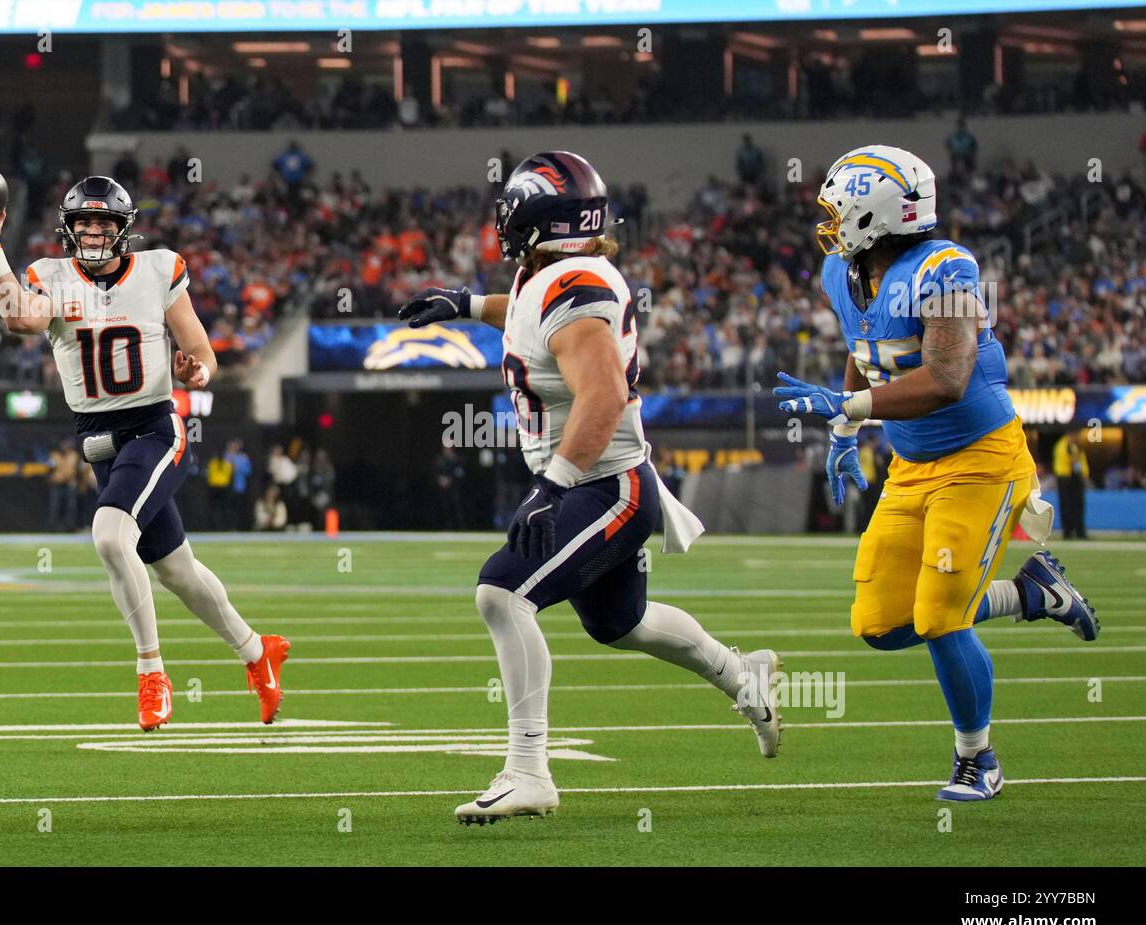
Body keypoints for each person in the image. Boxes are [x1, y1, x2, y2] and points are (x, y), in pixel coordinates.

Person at [399, 150, 780, 825]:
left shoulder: (571, 285)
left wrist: (554, 484)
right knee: (621, 624)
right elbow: (525, 315)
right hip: (608, 477)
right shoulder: (548, 276)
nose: (505, 222)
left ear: (541, 218)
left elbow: (601, 396)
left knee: (501, 591)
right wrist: (463, 304)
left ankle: (528, 771)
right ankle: (739, 673)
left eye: (514, 210)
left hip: (607, 483)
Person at [775, 144, 1100, 803]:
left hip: (981, 459)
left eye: (842, 207)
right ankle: (1031, 594)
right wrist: (845, 428)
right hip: (912, 466)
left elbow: (948, 378)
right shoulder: (844, 274)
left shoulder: (946, 269)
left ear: (877, 213)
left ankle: (977, 758)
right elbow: (863, 347)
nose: (832, 220)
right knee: (877, 622)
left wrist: (854, 406)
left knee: (939, 617)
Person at [0, 174, 289, 731]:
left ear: (123, 229)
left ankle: (152, 671)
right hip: (99, 442)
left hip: (155, 428)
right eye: (82, 222)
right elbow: (19, 318)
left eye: (102, 222)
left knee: (110, 535)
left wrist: (197, 370)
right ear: (68, 227)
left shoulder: (160, 269)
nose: (91, 231)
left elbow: (202, 351)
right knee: (177, 571)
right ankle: (259, 653)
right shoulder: (48, 276)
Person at [1052, 430, 1091, 539]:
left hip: (1067, 477)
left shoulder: (1065, 445)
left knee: (1070, 506)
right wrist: (1083, 477)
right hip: (1067, 478)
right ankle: (1075, 532)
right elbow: (1075, 462)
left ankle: (1070, 532)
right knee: (1072, 506)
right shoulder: (1069, 446)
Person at [47, 438, 81, 532]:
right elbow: (49, 470)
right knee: (55, 507)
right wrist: (50, 480)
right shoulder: (54, 455)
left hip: (70, 485)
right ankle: (53, 528)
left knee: (71, 508)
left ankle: (70, 528)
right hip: (57, 485)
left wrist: (77, 482)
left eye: (68, 444)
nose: (65, 446)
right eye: (64, 444)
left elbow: (79, 471)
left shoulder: (74, 455)